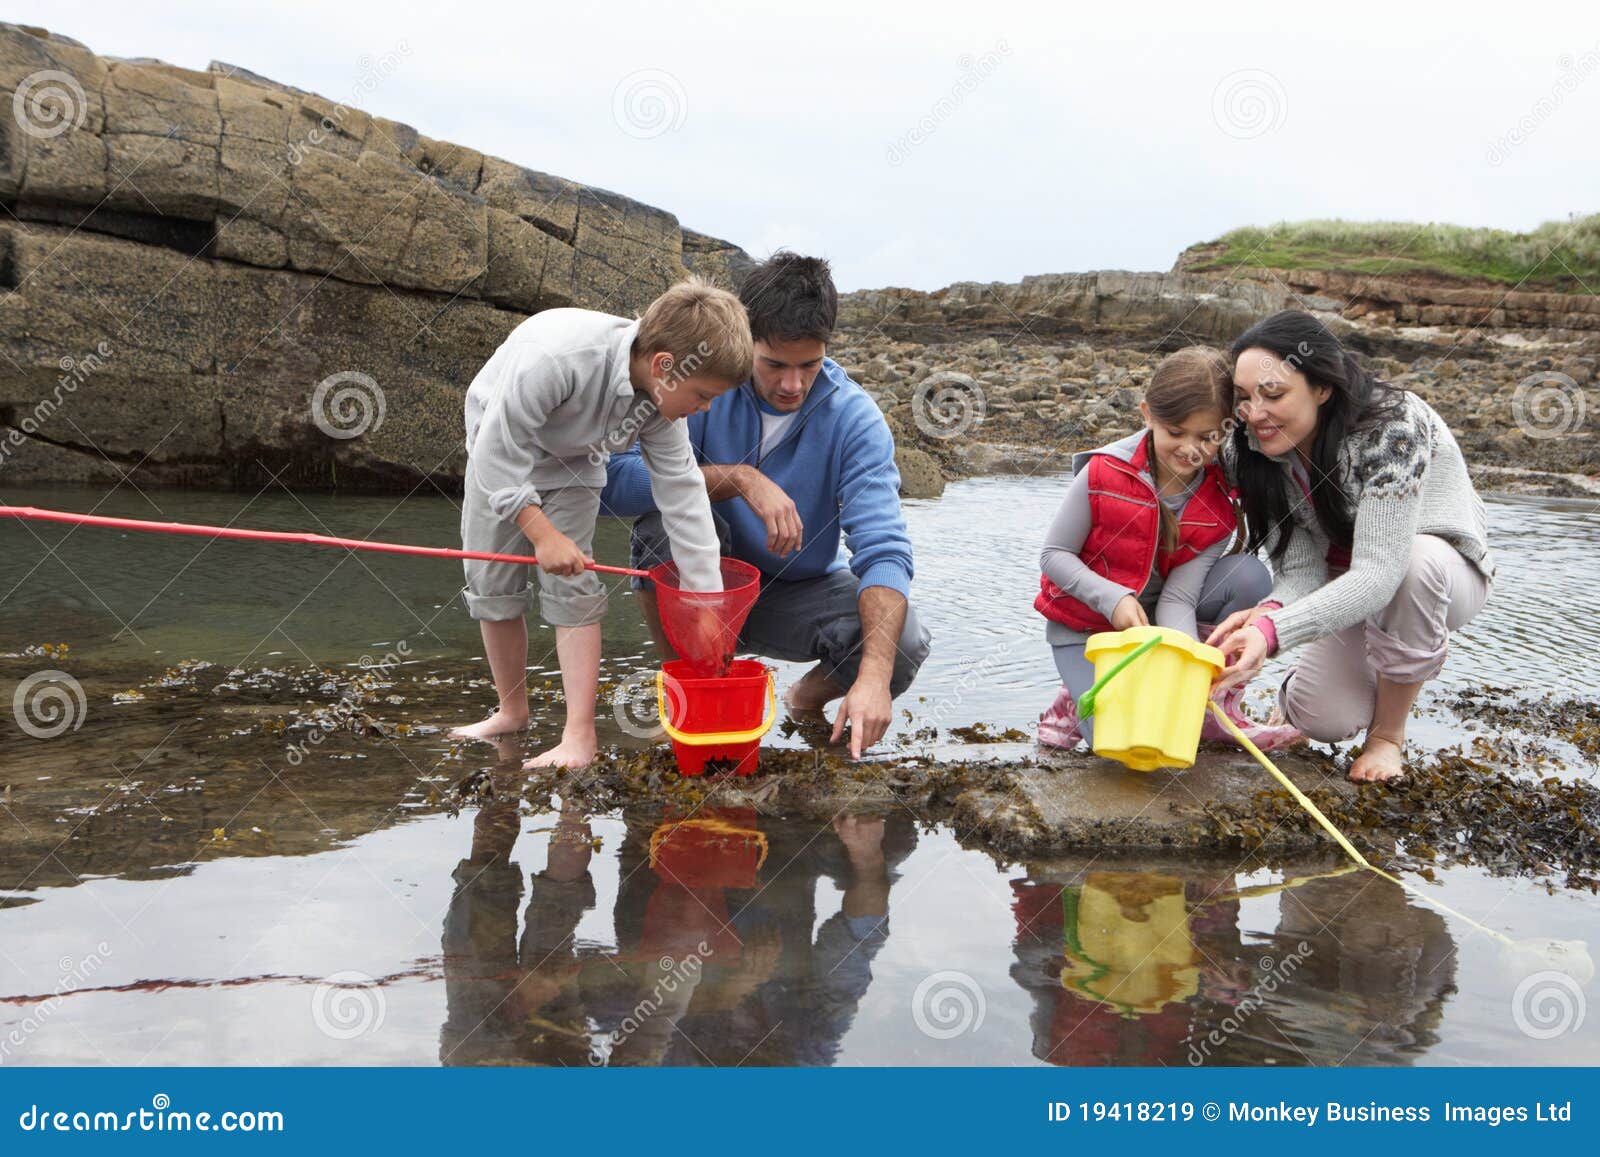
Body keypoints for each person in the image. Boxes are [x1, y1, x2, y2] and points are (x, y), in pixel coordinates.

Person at [602, 252, 930, 758]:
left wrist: (873, 679)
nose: (792, 385)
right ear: (744, 341)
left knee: (901, 643)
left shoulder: (855, 419)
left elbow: (883, 549)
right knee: (660, 524)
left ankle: (803, 698)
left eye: (809, 365)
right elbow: (611, 487)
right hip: (699, 586)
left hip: (793, 596)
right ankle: (688, 687)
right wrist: (738, 478)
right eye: (774, 364)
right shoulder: (696, 384)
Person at [451, 279, 753, 769]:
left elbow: (683, 494)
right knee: (491, 587)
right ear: (664, 365)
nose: (705, 409)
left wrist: (705, 601)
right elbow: (496, 455)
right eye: (703, 395)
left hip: (577, 463)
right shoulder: (556, 358)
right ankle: (512, 710)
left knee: (575, 589)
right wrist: (541, 534)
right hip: (499, 457)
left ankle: (579, 735)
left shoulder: (660, 402)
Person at [1208, 310, 1494, 783]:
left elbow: (1381, 572)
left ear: (1322, 388)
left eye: (1273, 394)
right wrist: (1268, 614)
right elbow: (1301, 570)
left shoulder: (1394, 427)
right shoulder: (1252, 446)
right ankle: (1298, 694)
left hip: (1441, 573)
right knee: (1322, 720)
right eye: (1243, 398)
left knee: (1413, 567)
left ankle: (1387, 737)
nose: (1254, 413)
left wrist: (1275, 633)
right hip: (1348, 585)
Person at [1035, 346, 1299, 752]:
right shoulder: (1102, 472)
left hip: (1156, 620)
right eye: (1176, 432)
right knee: (1115, 743)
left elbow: (1179, 597)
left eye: (1207, 437)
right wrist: (1112, 599)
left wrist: (1187, 670)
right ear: (1147, 415)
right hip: (1084, 625)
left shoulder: (1216, 506)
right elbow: (1053, 556)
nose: (1190, 450)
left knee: (1249, 576)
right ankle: (1072, 700)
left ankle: (1217, 704)